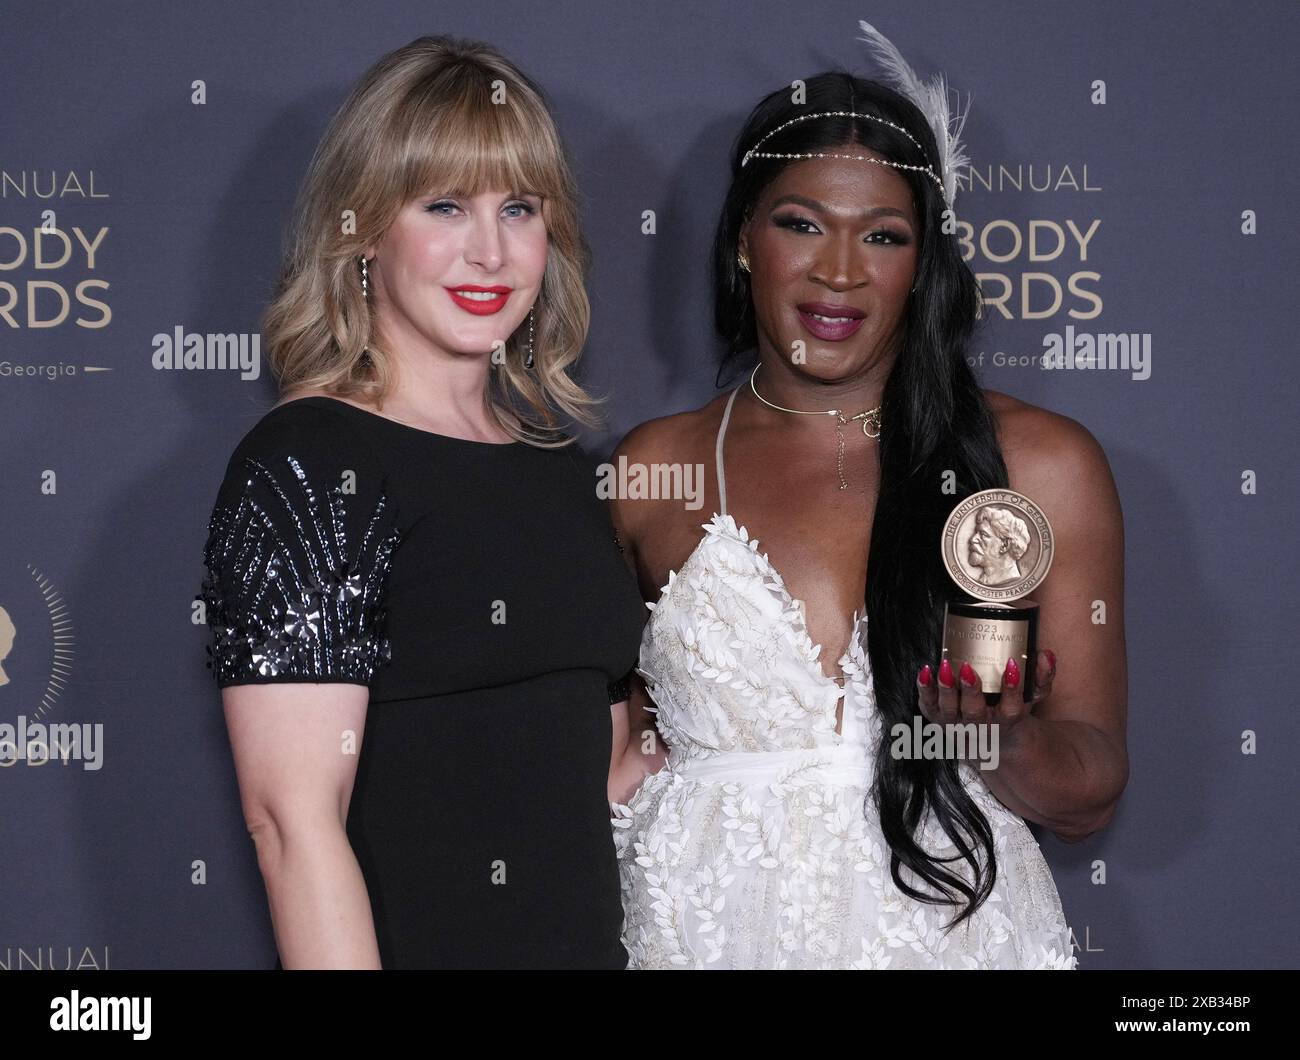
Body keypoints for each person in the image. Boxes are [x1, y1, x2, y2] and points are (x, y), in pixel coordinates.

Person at [608, 46, 1128, 968]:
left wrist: (999, 739)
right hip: (696, 938)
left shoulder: (1038, 465)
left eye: (883, 235)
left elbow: (1089, 789)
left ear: (924, 260)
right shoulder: (654, 469)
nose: (839, 271)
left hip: (951, 936)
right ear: (742, 239)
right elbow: (616, 751)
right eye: (802, 224)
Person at [198, 35, 645, 969]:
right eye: (445, 205)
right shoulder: (311, 462)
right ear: (362, 227)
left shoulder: (562, 471)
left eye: (518, 209)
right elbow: (290, 824)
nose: (489, 251)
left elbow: (592, 778)